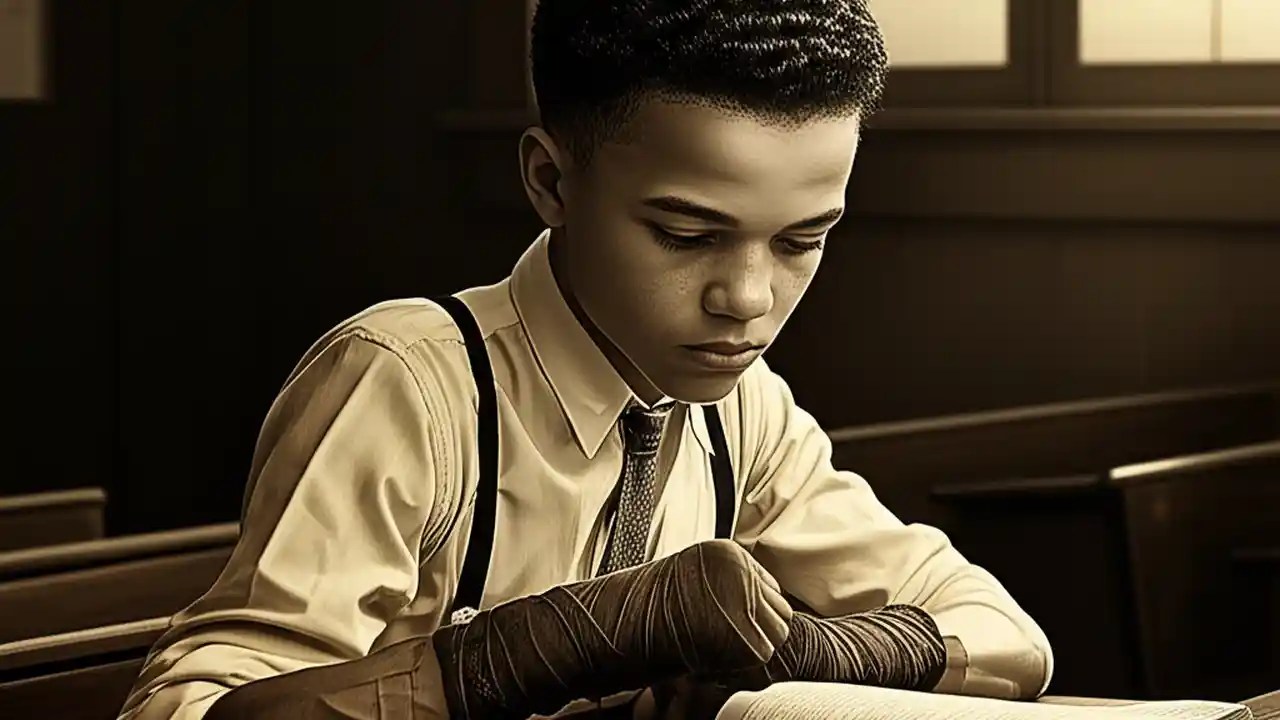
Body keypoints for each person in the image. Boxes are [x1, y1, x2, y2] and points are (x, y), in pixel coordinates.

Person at [116, 1, 1054, 718]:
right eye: (686, 236)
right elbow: (183, 711)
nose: (749, 299)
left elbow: (1008, 639)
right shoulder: (410, 383)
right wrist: (531, 650)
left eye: (802, 241)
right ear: (550, 180)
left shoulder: (744, 411)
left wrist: (825, 654)